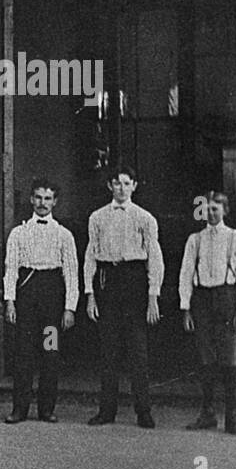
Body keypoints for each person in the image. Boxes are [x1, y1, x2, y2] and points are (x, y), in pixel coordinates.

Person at [84, 166, 163, 428]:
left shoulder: (145, 218)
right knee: (109, 351)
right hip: (109, 281)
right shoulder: (97, 217)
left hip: (134, 282)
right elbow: (90, 256)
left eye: (126, 183)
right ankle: (107, 411)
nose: (121, 188)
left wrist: (153, 296)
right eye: (116, 183)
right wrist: (90, 294)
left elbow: (155, 258)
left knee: (138, 352)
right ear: (110, 186)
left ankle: (144, 411)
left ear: (134, 186)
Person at [3, 178, 79, 423]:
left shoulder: (64, 235)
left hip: (52, 296)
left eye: (47, 198)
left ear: (55, 201)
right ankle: (19, 409)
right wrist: (10, 301)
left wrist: (69, 307)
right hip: (27, 293)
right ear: (31, 200)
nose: (42, 203)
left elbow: (71, 272)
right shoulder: (19, 232)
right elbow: (11, 268)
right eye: (38, 197)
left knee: (50, 351)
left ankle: (47, 408)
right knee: (23, 354)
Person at [179, 191, 236, 435]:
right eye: (207, 209)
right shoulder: (195, 240)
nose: (210, 213)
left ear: (224, 211)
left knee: (229, 359)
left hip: (227, 299)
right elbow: (186, 274)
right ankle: (207, 413)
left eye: (215, 209)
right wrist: (186, 307)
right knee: (206, 358)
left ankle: (231, 416)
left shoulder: (235, 238)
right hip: (202, 301)